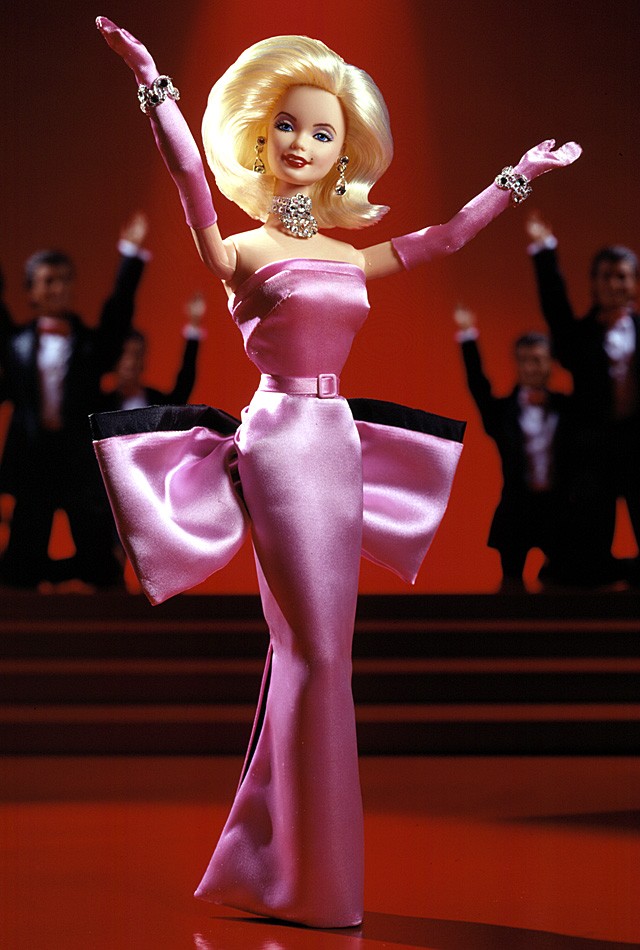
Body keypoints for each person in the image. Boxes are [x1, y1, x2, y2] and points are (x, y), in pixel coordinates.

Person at [92, 16, 581, 928]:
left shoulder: (350, 254)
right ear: (259, 136)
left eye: (321, 132)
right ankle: (311, 880)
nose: (301, 143)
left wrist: (519, 177)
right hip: (279, 443)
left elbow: (444, 239)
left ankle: (280, 869)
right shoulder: (242, 252)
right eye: (286, 125)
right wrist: (154, 86)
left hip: (338, 444)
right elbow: (191, 181)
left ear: (343, 152)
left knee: (315, 656)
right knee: (315, 653)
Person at [0, 213, 149, 589]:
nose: (58, 289)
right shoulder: (15, 345)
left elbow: (118, 314)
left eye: (65, 280)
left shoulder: (90, 345)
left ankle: (112, 614)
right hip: (33, 458)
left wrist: (130, 256)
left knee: (98, 555)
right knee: (23, 553)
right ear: (31, 291)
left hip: (77, 458)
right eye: (48, 281)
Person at [525, 212, 640, 586]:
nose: (614, 284)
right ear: (594, 283)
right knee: (592, 533)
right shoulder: (581, 336)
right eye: (605, 276)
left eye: (621, 276)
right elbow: (556, 310)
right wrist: (544, 252)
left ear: (634, 283)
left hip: (638, 445)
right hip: (594, 449)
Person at [454, 305, 570, 590]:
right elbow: (478, 385)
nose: (530, 368)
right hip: (517, 509)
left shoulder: (567, 409)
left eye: (537, 360)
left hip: (559, 510)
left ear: (551, 363)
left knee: (561, 587)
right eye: (524, 360)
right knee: (511, 586)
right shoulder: (503, 412)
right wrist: (467, 336)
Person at [100, 292, 206, 411]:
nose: (130, 362)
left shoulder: (157, 403)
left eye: (137, 354)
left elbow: (183, 388)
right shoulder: (101, 407)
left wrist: (194, 327)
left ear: (143, 361)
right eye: (124, 354)